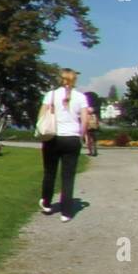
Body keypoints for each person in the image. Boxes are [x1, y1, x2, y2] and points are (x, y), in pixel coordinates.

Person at [35, 69, 91, 219]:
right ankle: (66, 212)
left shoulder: (51, 95)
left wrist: (41, 132)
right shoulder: (81, 97)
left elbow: (41, 116)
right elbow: (85, 120)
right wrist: (82, 135)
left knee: (49, 172)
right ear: (74, 80)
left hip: (53, 137)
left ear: (61, 79)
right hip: (72, 138)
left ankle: (46, 204)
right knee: (68, 176)